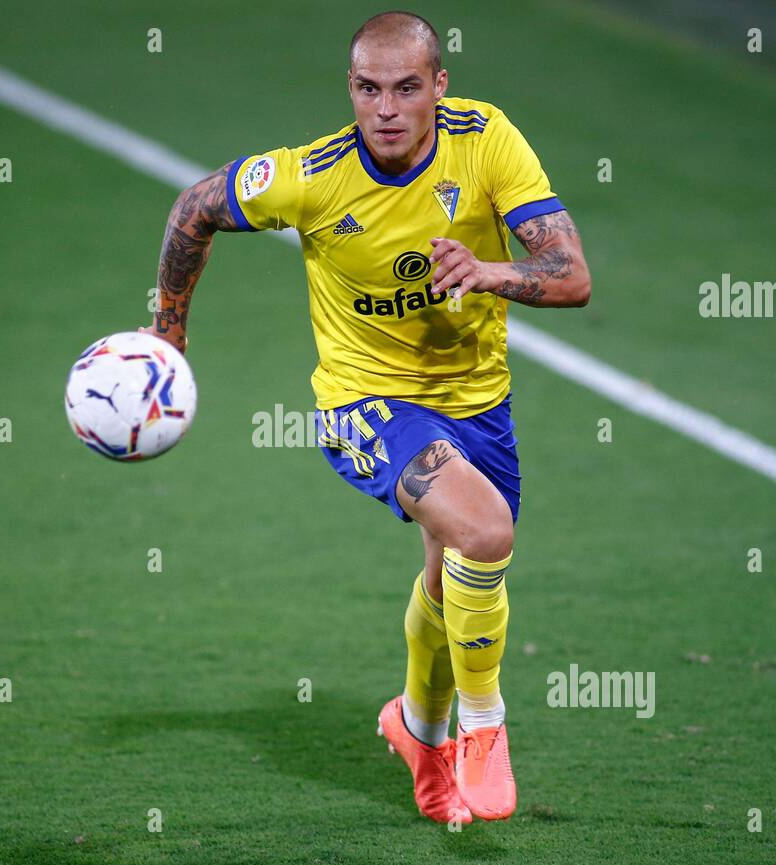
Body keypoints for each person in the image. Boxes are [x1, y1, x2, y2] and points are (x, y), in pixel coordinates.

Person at [141, 10, 590, 823]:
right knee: (485, 534)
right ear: (350, 89)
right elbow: (194, 207)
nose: (386, 108)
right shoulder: (309, 176)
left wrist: (488, 271)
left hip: (478, 399)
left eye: (406, 88)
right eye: (368, 89)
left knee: (455, 574)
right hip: (364, 403)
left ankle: (418, 727)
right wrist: (169, 332)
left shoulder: (486, 140)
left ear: (439, 88)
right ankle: (482, 731)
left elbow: (570, 275)